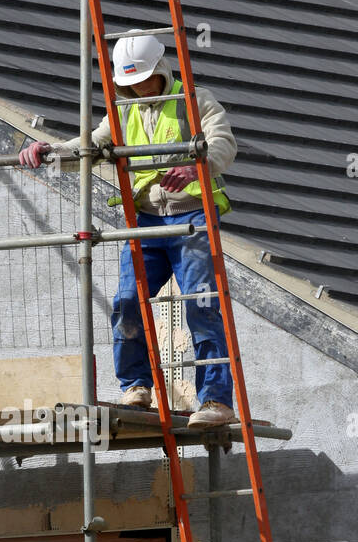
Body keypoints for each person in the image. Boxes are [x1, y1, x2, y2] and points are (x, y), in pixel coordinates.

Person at [19, 34, 237, 428]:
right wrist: (49, 151)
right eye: (130, 83)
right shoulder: (123, 112)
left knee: (201, 306)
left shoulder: (195, 100)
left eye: (145, 80)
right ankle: (136, 386)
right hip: (146, 223)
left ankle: (216, 401)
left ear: (162, 71)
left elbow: (222, 141)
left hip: (192, 220)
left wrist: (197, 167)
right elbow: (91, 146)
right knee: (126, 302)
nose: (138, 89)